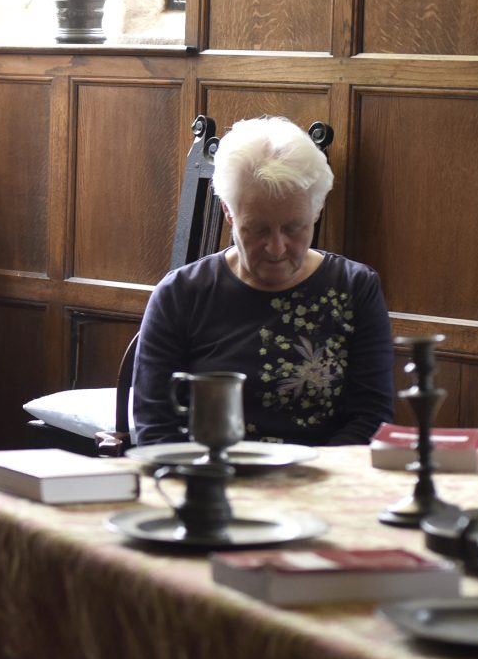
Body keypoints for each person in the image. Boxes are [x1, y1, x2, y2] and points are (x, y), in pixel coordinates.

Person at [130, 116, 393, 448]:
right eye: (258, 229)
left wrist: (304, 482)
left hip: (320, 484)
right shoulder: (181, 295)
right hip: (210, 481)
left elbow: (372, 418)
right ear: (229, 211)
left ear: (317, 209)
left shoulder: (354, 289)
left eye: (294, 227)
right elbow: (155, 427)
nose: (277, 248)